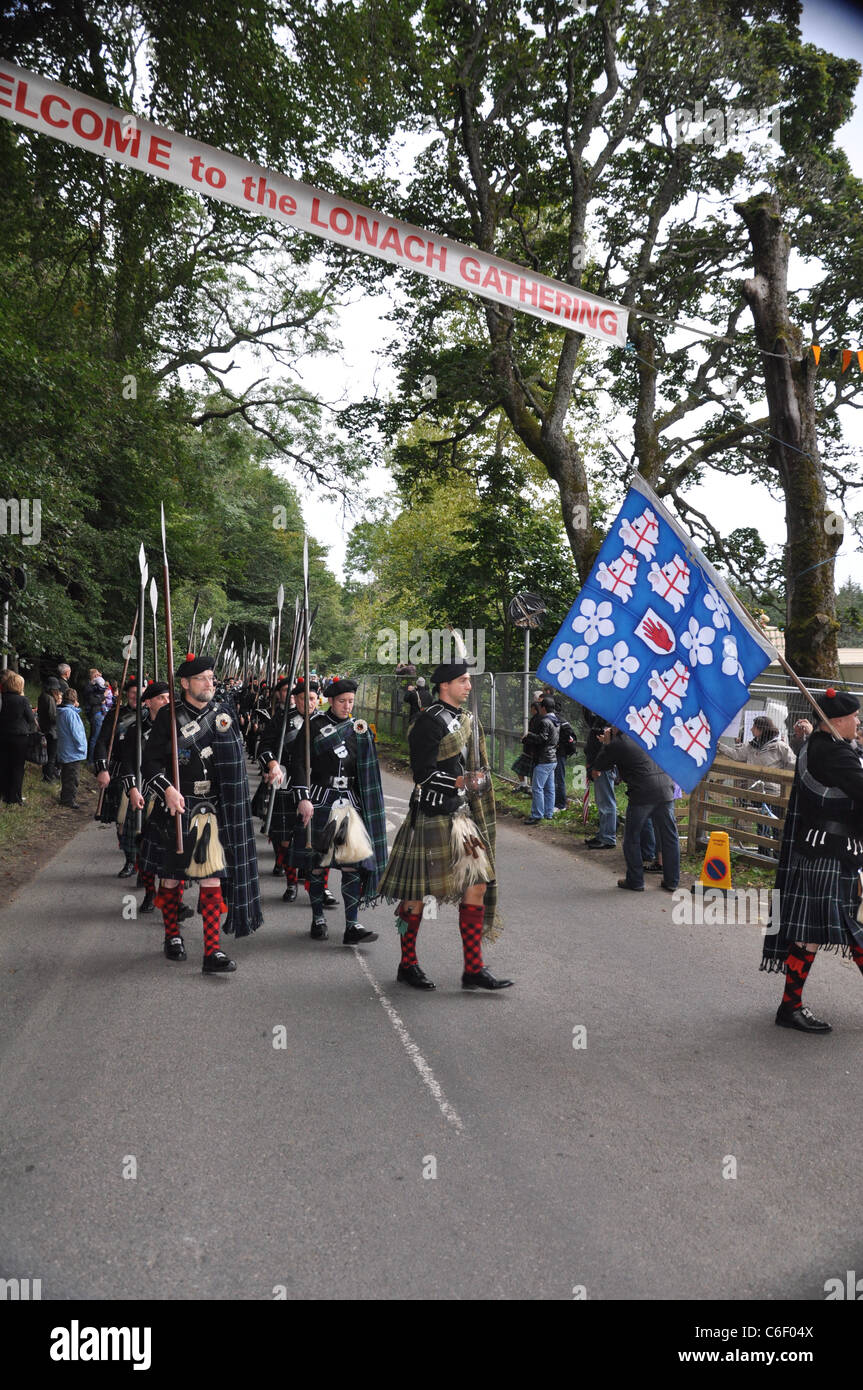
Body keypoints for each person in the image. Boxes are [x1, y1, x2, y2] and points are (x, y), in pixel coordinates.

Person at [379, 659, 513, 992]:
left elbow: (473, 764)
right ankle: (407, 963)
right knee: (416, 897)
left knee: (478, 884)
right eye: (463, 681)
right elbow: (422, 774)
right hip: (431, 816)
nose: (468, 686)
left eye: (468, 680)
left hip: (461, 817)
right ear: (445, 686)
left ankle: (473, 969)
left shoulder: (467, 720)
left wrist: (476, 780)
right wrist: (459, 781)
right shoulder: (429, 722)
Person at [143, 654, 263, 974]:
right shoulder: (169, 716)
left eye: (212, 677)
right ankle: (172, 936)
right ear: (185, 684)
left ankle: (212, 952)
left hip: (212, 809)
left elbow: (235, 763)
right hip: (177, 808)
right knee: (170, 879)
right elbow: (150, 764)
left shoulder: (222, 714)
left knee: (211, 879)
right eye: (202, 678)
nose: (210, 682)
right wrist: (167, 789)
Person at [763, 688, 863, 1034]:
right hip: (832, 853)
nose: (858, 721)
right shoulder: (835, 754)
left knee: (814, 933)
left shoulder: (819, 747)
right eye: (854, 717)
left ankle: (789, 1006)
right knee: (846, 929)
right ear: (836, 721)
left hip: (820, 850)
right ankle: (789, 1007)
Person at [288, 676, 387, 945]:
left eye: (351, 701)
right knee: (318, 866)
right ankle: (318, 918)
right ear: (330, 701)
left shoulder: (360, 729)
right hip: (320, 799)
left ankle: (352, 925)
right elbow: (297, 763)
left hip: (349, 804)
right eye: (342, 701)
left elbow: (368, 773)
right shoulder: (314, 725)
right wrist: (302, 797)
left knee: (351, 866)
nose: (347, 706)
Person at [256, 676, 338, 908]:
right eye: (304, 699)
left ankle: (322, 887)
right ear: (296, 699)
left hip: (318, 788)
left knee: (322, 840)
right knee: (285, 840)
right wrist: (272, 765)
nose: (309, 703)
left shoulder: (326, 723)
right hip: (287, 784)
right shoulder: (282, 721)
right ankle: (291, 883)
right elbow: (265, 747)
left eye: (313, 699)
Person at [590, 727, 680, 892]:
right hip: (666, 789)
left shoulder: (620, 742)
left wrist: (607, 743)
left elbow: (600, 765)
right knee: (670, 836)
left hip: (642, 793)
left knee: (632, 837)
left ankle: (635, 880)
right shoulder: (649, 733)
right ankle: (672, 881)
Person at [0, 670, 37, 805]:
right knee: (17, 767)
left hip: (3, 735)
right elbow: (30, 718)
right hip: (19, 737)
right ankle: (15, 796)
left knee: (4, 764)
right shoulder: (22, 700)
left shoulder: (2, 697)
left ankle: (4, 793)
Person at [583, 707, 617, 849]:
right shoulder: (598, 719)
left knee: (607, 802)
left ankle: (608, 837)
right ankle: (603, 834)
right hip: (597, 765)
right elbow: (589, 718)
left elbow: (607, 748)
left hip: (603, 767)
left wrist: (598, 766)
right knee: (602, 802)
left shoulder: (609, 720)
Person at [522, 695, 559, 824]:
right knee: (550, 789)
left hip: (544, 759)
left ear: (543, 708)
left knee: (537, 788)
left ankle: (537, 815)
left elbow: (542, 739)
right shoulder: (556, 721)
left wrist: (529, 735)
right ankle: (548, 813)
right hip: (553, 758)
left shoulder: (545, 721)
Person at [55, 685, 88, 808]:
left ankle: (65, 797)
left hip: (65, 749)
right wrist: (82, 748)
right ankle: (69, 800)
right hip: (73, 751)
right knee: (72, 778)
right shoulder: (71, 714)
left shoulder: (61, 711)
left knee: (66, 776)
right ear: (75, 700)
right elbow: (77, 734)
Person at [37, 677, 62, 782]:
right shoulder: (50, 699)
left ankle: (46, 776)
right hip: (52, 731)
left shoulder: (41, 696)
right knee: (51, 756)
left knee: (46, 754)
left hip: (44, 728)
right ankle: (48, 778)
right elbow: (53, 716)